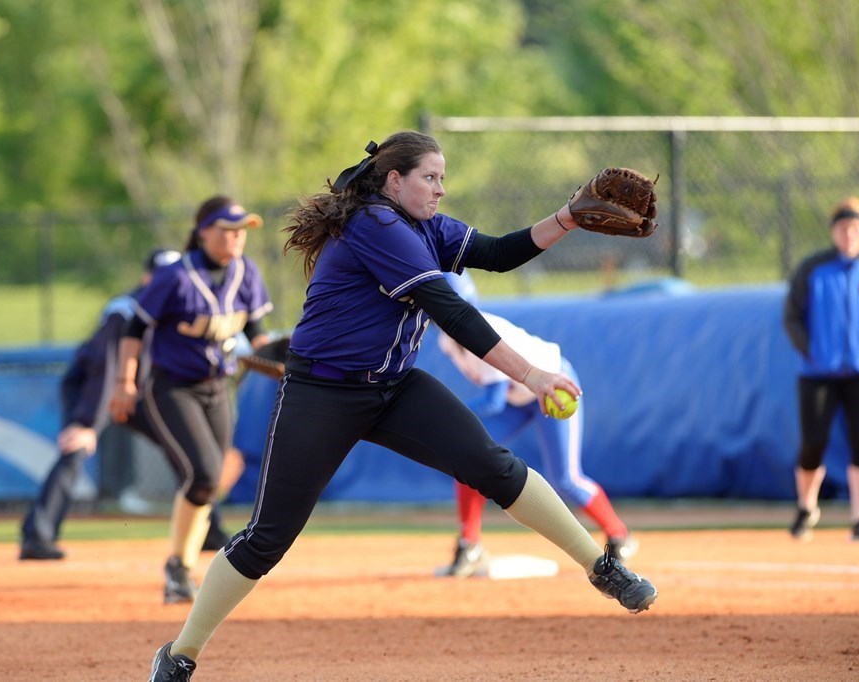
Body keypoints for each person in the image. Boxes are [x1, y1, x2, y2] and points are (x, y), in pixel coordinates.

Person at [148, 131, 657, 680]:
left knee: (493, 464)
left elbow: (499, 253)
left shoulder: (424, 227)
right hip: (323, 393)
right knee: (266, 540)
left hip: (392, 388)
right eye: (429, 177)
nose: (441, 188)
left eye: (443, 178)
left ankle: (601, 566)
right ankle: (180, 654)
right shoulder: (376, 224)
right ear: (394, 180)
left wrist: (566, 218)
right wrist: (531, 374)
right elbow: (449, 311)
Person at [109, 195, 273, 604]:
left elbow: (257, 334)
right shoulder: (175, 276)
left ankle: (180, 570)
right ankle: (178, 569)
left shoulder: (245, 272)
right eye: (227, 229)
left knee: (212, 479)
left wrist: (279, 358)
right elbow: (134, 327)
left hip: (218, 387)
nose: (236, 237)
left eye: (242, 231)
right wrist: (124, 382)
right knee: (202, 473)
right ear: (203, 233)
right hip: (172, 386)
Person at [436, 271, 637, 578]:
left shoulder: (480, 330)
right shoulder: (447, 341)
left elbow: (492, 402)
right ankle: (470, 544)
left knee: (566, 478)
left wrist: (446, 414)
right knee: (469, 459)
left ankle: (619, 534)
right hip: (518, 397)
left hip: (553, 385)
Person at [19, 248, 182, 560]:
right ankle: (37, 536)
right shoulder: (124, 309)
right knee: (76, 448)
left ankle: (209, 532)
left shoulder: (176, 309)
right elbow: (105, 367)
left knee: (184, 449)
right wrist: (87, 422)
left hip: (135, 391)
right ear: (147, 278)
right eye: (162, 277)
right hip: (94, 387)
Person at [783, 196, 859, 542]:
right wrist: (810, 350)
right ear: (834, 231)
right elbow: (791, 316)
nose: (849, 234)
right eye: (844, 227)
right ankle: (806, 507)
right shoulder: (813, 268)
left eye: (856, 228)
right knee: (813, 443)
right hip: (818, 373)